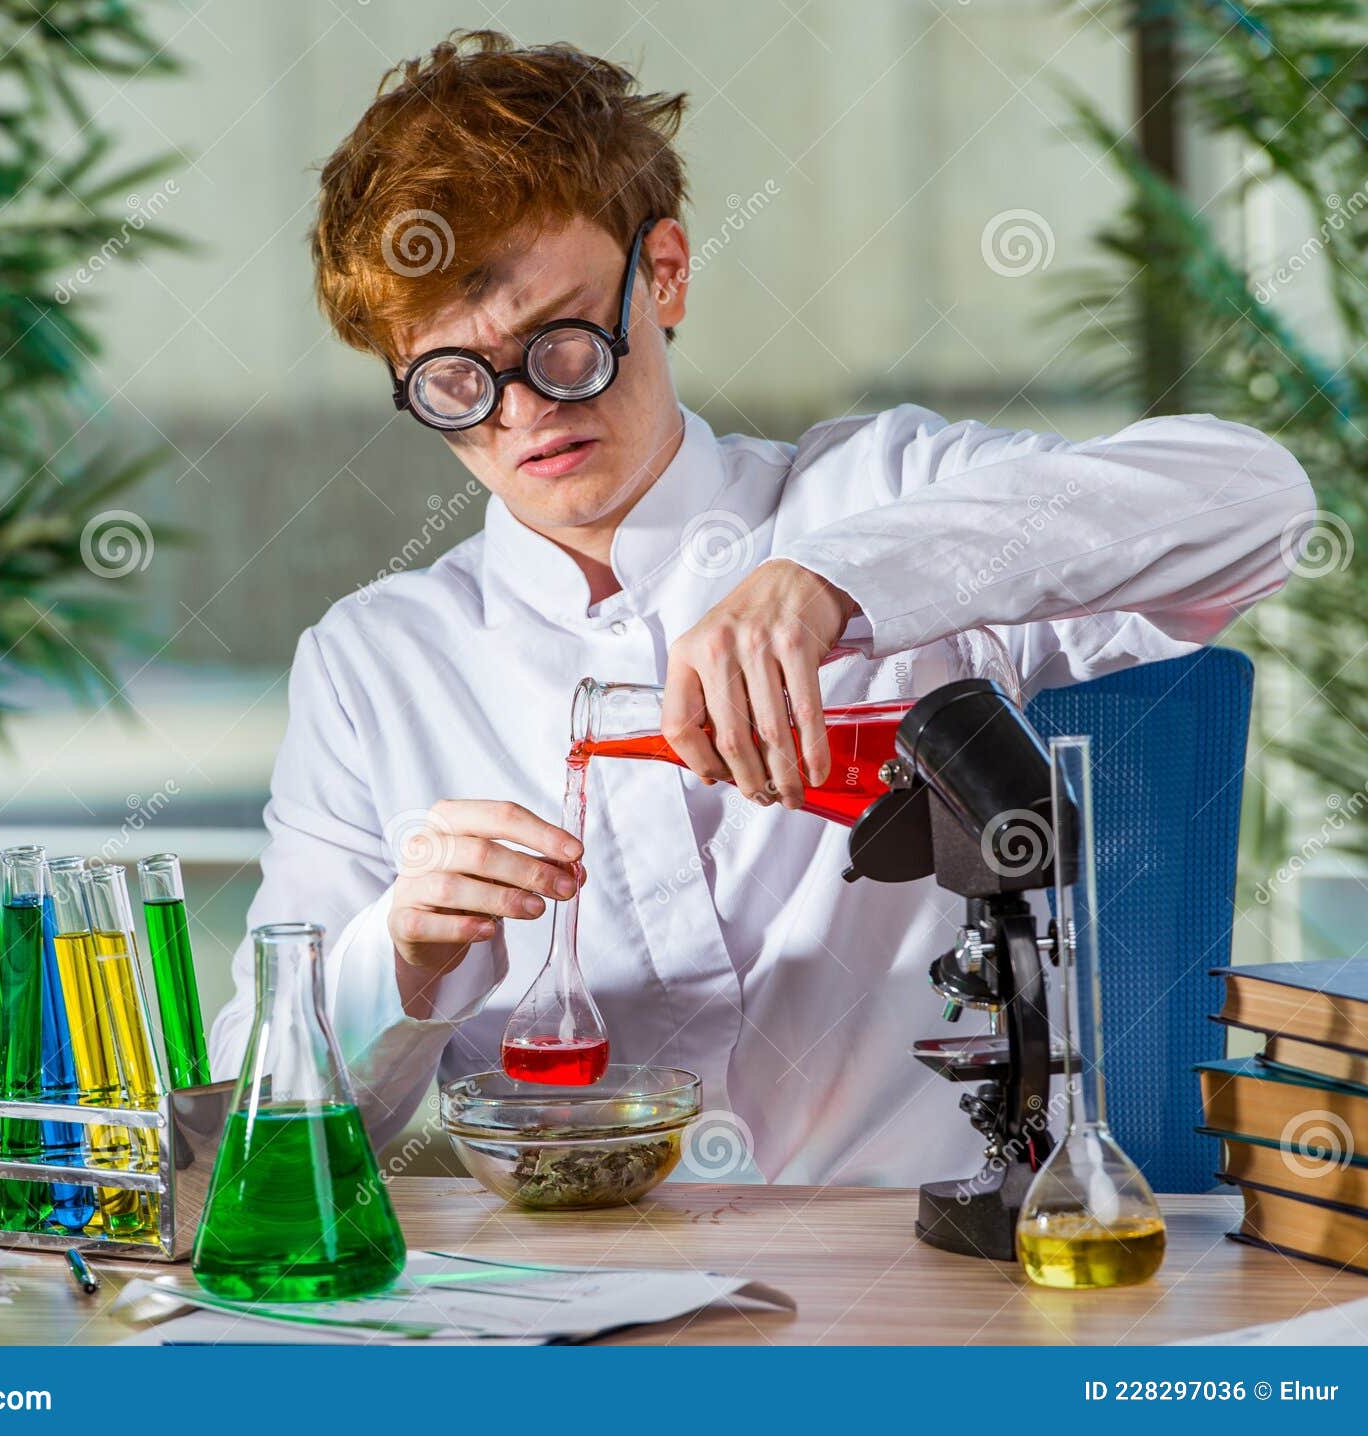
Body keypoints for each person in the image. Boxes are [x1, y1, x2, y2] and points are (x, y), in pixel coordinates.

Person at [207, 30, 1314, 1185]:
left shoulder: (870, 494)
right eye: (453, 382)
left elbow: (1255, 502)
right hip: (574, 1292)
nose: (523, 410)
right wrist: (405, 951)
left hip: (907, 1285)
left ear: (666, 271)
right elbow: (253, 1127)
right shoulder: (373, 664)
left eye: (564, 341)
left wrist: (841, 579)